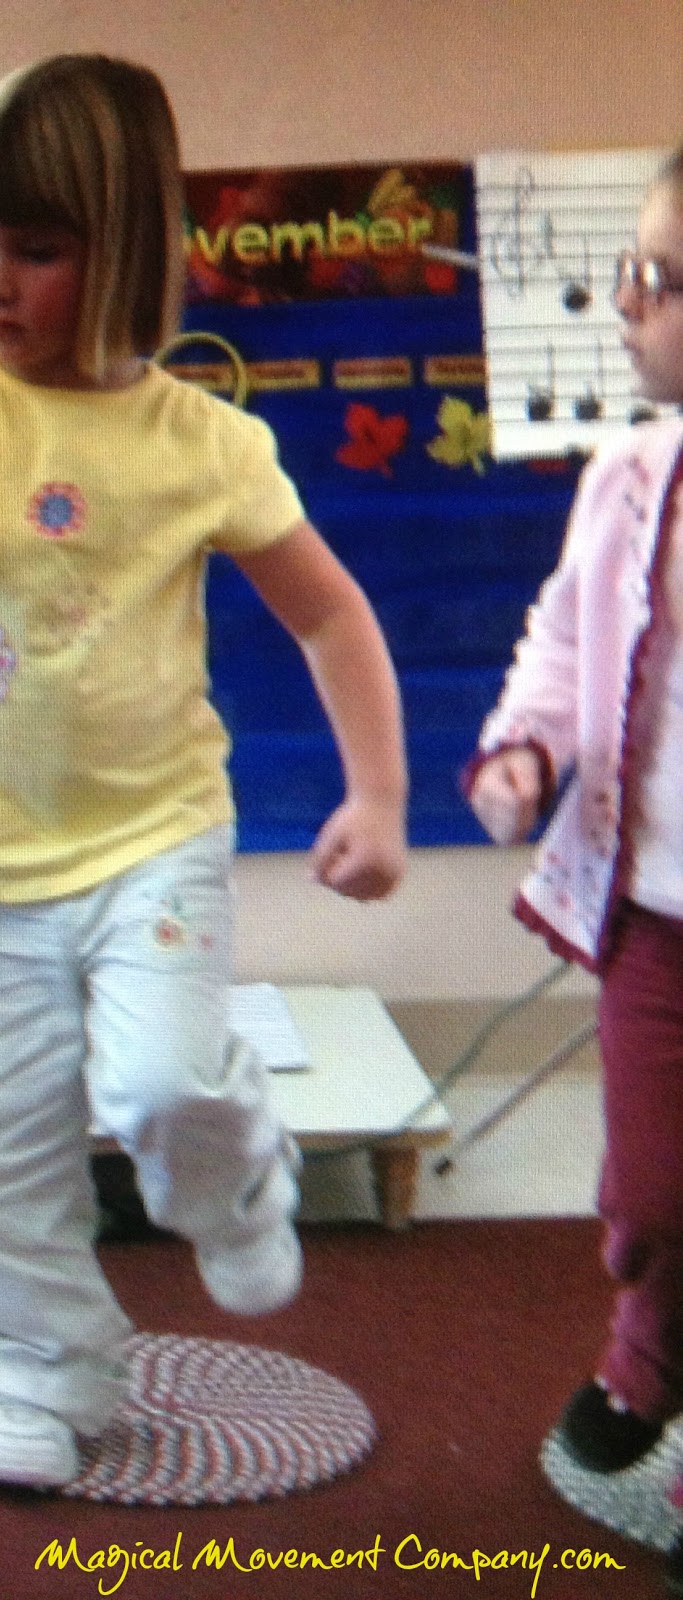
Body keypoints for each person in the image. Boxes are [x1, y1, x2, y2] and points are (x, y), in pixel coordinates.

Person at [0, 54, 407, 1493]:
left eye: (36, 249)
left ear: (130, 256)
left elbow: (333, 611)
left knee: (162, 1087)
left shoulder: (203, 442)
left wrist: (381, 794)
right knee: (7, 1149)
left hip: (150, 840)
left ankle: (236, 1173)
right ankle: (46, 1366)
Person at [467, 149, 683, 1590]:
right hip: (656, 922)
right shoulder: (626, 475)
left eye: (655, 281)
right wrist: (526, 748)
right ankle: (648, 1347)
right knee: (656, 1198)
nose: (622, 303)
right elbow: (558, 637)